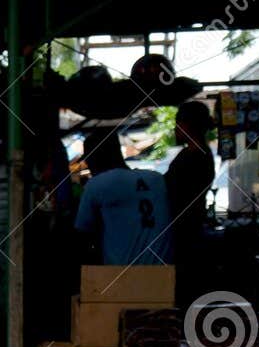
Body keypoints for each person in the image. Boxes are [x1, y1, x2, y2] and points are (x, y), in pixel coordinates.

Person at [74, 128, 173, 265]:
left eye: (89, 159)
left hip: (123, 277)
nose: (89, 166)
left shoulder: (98, 184)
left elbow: (82, 233)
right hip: (164, 275)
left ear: (96, 157)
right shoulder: (156, 179)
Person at [166, 100, 216, 302]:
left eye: (179, 123)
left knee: (186, 287)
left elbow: (174, 188)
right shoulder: (193, 154)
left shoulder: (196, 157)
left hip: (187, 230)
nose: (175, 128)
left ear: (189, 125)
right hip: (187, 229)